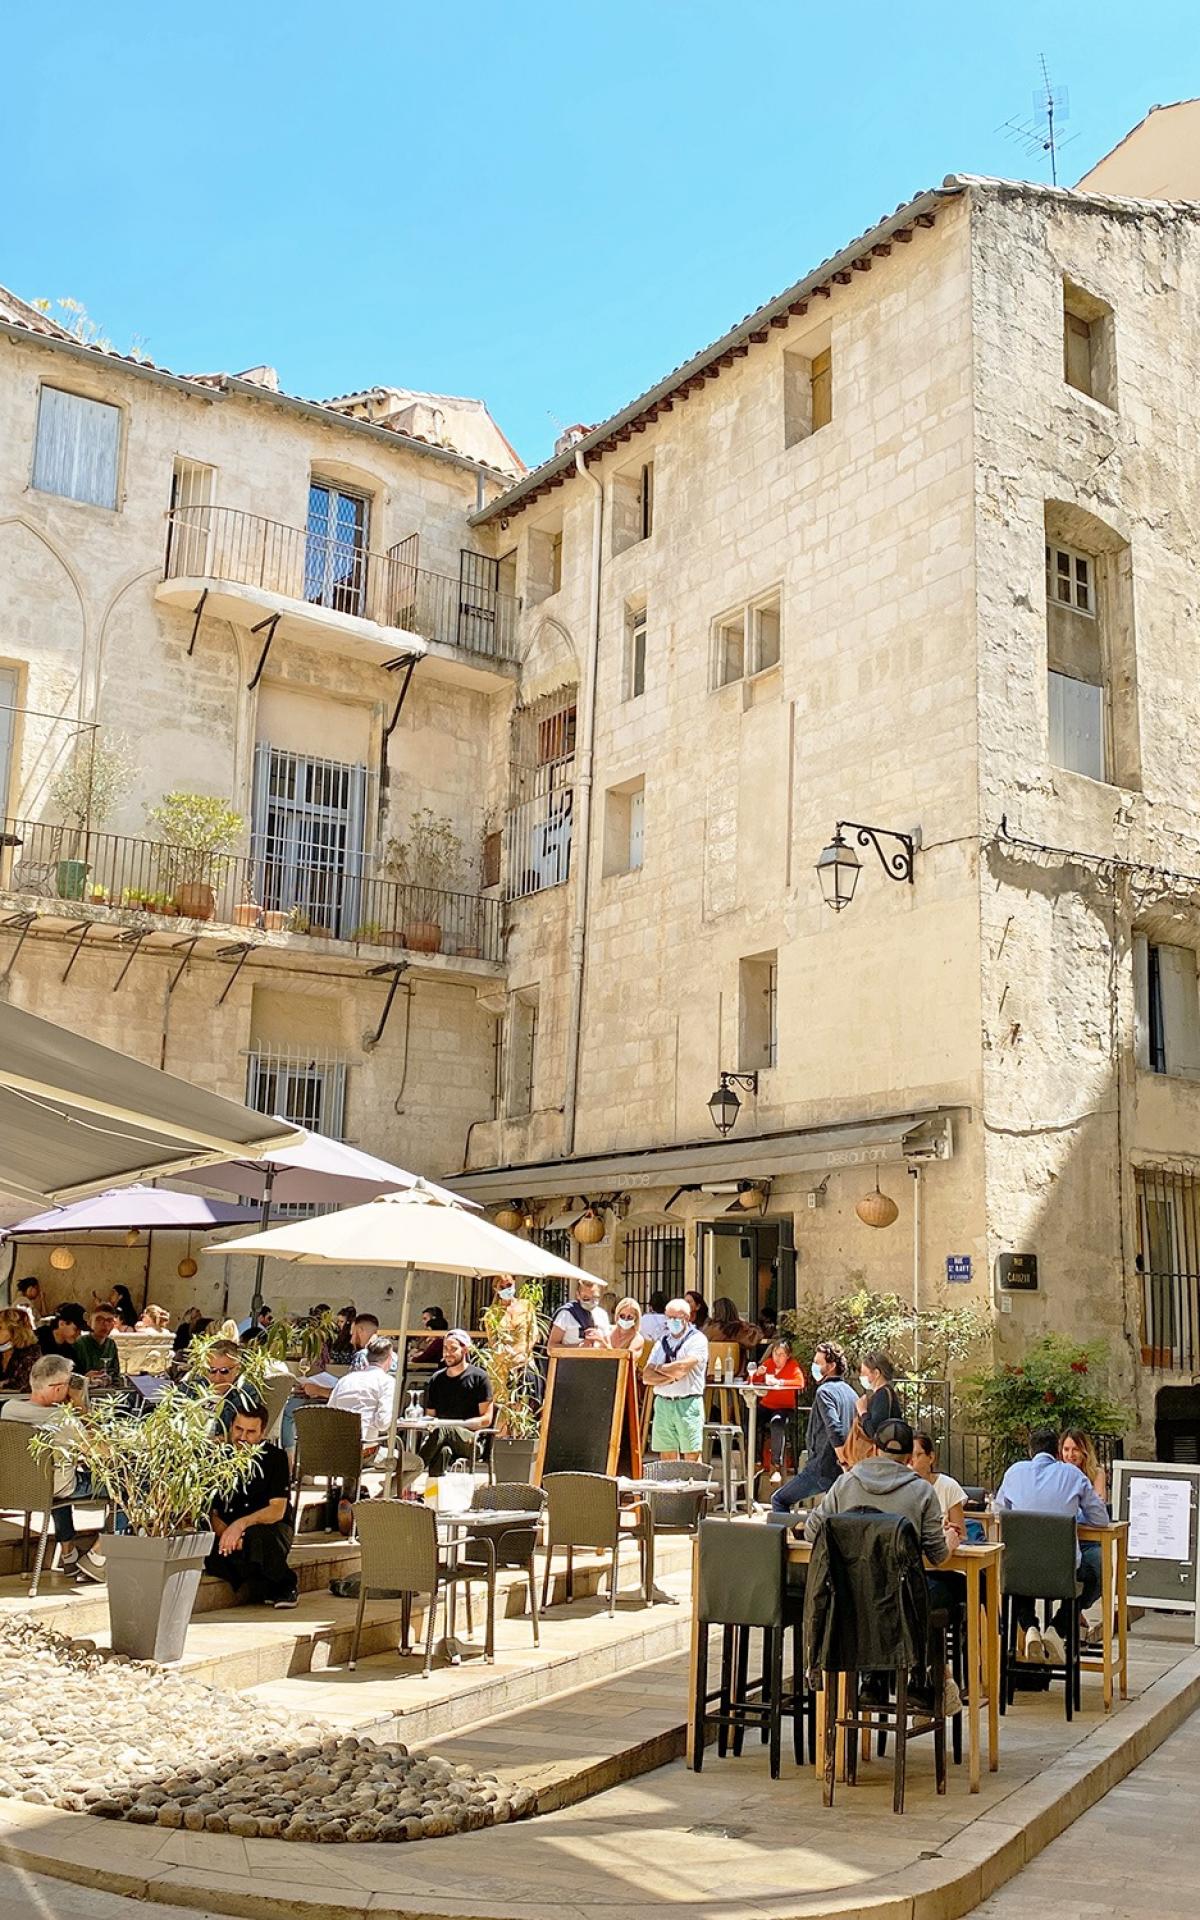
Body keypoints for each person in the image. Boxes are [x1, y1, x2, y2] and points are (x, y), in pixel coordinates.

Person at [805, 1417, 959, 1713]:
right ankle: (922, 1677)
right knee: (951, 1592)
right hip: (902, 1601)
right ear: (908, 1458)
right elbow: (938, 1556)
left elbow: (813, 1531)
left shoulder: (845, 1483)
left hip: (848, 1600)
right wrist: (950, 1540)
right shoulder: (922, 1492)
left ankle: (873, 1682)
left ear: (874, 1449)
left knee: (878, 1599)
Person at [994, 1426, 1109, 1665]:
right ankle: (1057, 1629)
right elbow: (1100, 1519)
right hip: (1061, 1571)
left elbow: (999, 1513)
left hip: (1018, 1571)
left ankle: (1030, 1628)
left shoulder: (1014, 1473)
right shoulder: (1073, 1475)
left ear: (1030, 1450)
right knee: (1091, 1575)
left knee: (1019, 1575)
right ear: (1058, 1452)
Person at [1, 1355, 105, 1581]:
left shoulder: (7, 1410)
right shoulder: (64, 1420)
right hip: (56, 1488)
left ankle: (68, 1554)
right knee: (124, 1486)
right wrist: (80, 1406)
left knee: (55, 1473)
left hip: (16, 1488)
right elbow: (101, 1450)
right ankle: (98, 1557)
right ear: (58, 1389)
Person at [205, 1403, 297, 1608]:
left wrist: (240, 1527)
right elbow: (210, 1511)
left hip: (266, 1526)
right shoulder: (219, 1457)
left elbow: (277, 1509)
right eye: (238, 1429)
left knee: (259, 1540)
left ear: (262, 1433)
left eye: (251, 1432)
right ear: (231, 1427)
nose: (243, 1437)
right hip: (226, 1533)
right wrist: (227, 1534)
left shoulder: (275, 1458)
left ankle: (285, 1585)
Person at [770, 1340, 859, 1512]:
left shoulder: (824, 1392)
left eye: (818, 1363)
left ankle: (782, 1537)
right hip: (839, 1467)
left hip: (821, 1466)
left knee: (779, 1500)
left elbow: (835, 1428)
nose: (814, 1367)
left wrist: (844, 1461)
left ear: (831, 1366)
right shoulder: (851, 1393)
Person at [413, 1330, 493, 1470]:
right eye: (445, 1348)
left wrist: (460, 1424)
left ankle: (411, 1472)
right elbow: (430, 1416)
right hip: (441, 1437)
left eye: (453, 1348)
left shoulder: (479, 1377)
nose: (448, 1353)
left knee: (445, 1429)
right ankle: (433, 1488)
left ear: (465, 1349)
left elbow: (486, 1419)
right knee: (443, 1451)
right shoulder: (437, 1379)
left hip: (471, 1440)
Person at [643, 1298, 709, 1462]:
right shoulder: (662, 1342)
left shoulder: (697, 1339)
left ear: (686, 1318)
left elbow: (683, 1367)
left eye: (675, 1318)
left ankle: (694, 1487)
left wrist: (659, 1368)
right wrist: (669, 1375)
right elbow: (646, 1375)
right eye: (668, 1317)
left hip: (687, 1403)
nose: (671, 1321)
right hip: (663, 1403)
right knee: (666, 1454)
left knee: (691, 1454)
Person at [747, 1336, 807, 1480]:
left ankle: (776, 1465)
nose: (777, 1358)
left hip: (784, 1407)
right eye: (775, 1353)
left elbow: (800, 1383)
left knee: (777, 1423)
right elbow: (753, 1381)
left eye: (781, 1354)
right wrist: (758, 1374)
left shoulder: (793, 1366)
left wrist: (780, 1382)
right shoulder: (768, 1364)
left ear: (788, 1356)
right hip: (766, 1404)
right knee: (752, 1421)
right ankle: (757, 1460)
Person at [328, 1337, 397, 1446]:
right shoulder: (387, 1381)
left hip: (336, 1451)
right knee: (414, 1462)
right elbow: (383, 1423)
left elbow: (329, 1413)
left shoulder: (345, 1380)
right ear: (389, 1359)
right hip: (365, 1450)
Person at [912, 1431, 967, 1535]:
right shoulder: (901, 1488)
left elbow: (962, 1536)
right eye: (908, 1456)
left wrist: (951, 1533)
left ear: (931, 1457)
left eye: (918, 1455)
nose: (912, 1461)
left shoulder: (948, 1486)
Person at [548, 1276, 611, 1350]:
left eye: (595, 1298)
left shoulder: (602, 1314)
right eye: (586, 1298)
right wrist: (579, 1347)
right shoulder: (566, 1314)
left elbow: (609, 1348)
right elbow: (551, 1347)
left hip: (599, 1360)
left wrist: (601, 1340)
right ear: (578, 1295)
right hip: (570, 1360)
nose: (591, 1302)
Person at [858, 1352, 904, 1439]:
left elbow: (874, 1430)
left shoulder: (882, 1396)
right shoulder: (886, 1392)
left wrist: (862, 1411)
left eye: (864, 1373)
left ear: (876, 1373)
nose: (861, 1376)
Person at [72, 1305, 122, 1386]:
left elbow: (116, 1373)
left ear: (113, 1325)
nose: (105, 1324)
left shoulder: (111, 1344)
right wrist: (85, 1377)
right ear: (90, 1322)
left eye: (109, 1321)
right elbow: (71, 1375)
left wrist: (110, 1378)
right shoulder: (79, 1343)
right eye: (99, 1320)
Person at [1060, 1429, 1108, 1504]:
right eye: (1066, 1449)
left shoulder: (1096, 1473)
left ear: (1084, 1451)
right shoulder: (1057, 1473)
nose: (1070, 1455)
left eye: (1075, 1449)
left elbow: (1099, 1504)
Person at [0, 1306, 40, 1394]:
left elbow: (22, 1384)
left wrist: (4, 1384)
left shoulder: (31, 1352)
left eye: (0, 1328)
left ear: (15, 1331)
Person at [708, 1295, 760, 1360]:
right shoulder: (738, 1328)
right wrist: (743, 1322)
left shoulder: (710, 1328)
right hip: (737, 1365)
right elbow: (755, 1336)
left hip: (714, 1364)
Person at [610, 1296, 646, 1365]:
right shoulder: (608, 1332)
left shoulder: (637, 1339)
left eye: (630, 1317)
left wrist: (605, 1344)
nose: (625, 1320)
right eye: (622, 1316)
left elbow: (627, 1359)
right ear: (617, 1315)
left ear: (636, 1318)